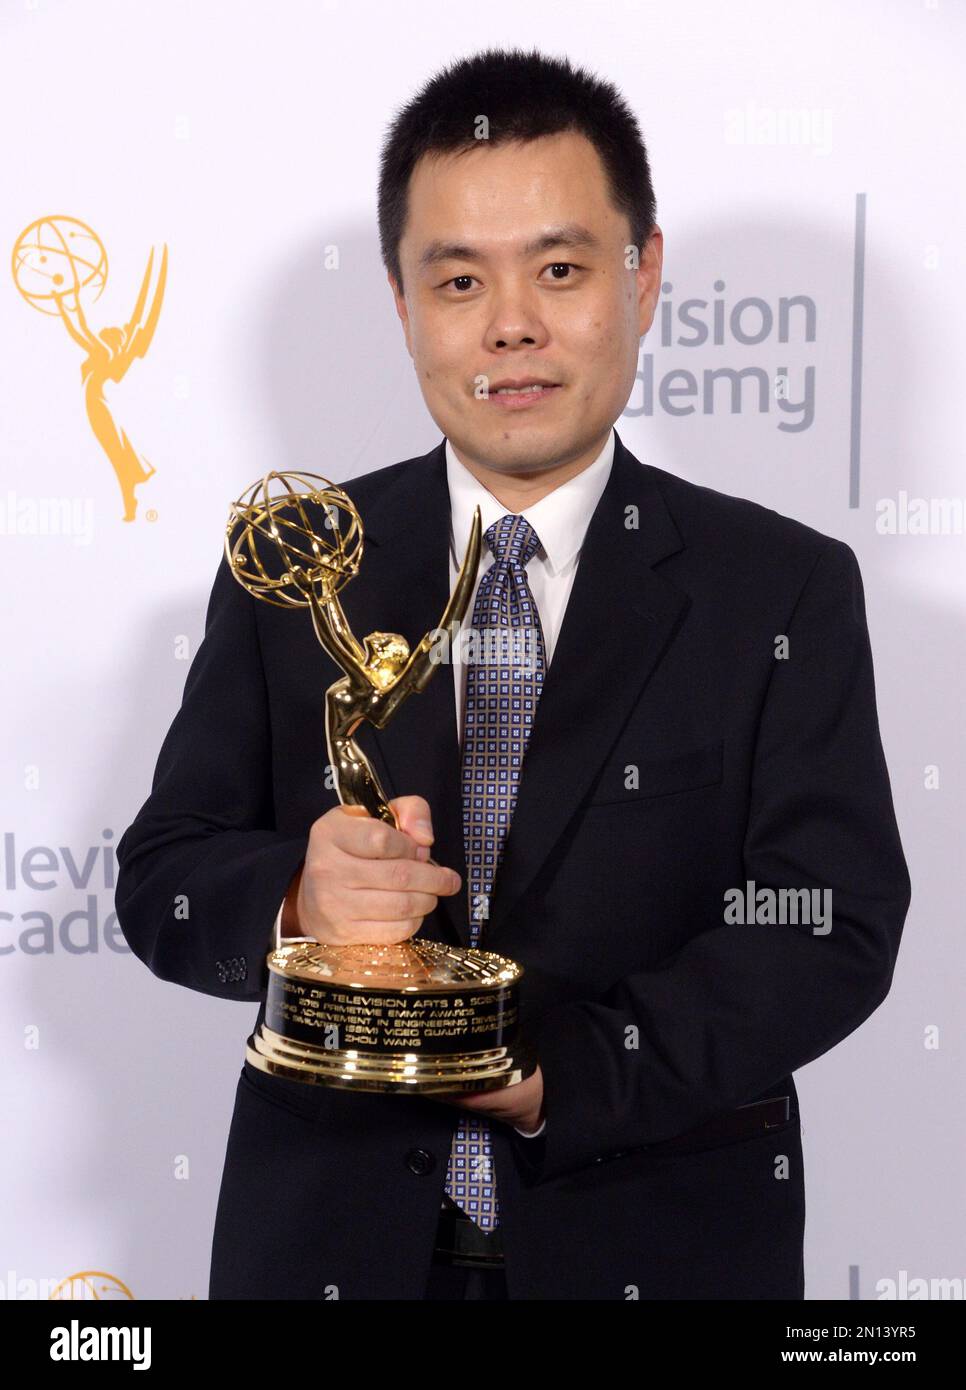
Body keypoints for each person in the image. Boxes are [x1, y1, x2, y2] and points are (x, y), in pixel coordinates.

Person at [115, 47, 911, 1301]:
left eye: (560, 267)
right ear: (401, 301)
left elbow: (831, 923)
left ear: (643, 276)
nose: (511, 326)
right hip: (323, 1249)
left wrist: (557, 1074)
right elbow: (161, 876)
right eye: (458, 279)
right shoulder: (300, 560)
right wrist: (296, 902)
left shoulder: (780, 587)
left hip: (658, 1243)